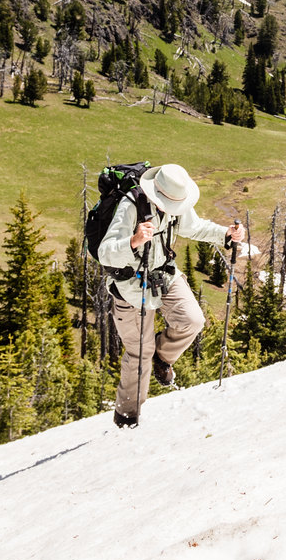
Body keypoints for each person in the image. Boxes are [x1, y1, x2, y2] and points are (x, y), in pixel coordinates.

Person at [94, 164, 245, 427]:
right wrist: (133, 241)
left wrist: (225, 234)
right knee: (139, 353)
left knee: (192, 320)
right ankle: (127, 418)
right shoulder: (130, 206)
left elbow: (194, 227)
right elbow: (105, 253)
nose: (174, 209)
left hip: (163, 275)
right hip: (129, 286)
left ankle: (162, 357)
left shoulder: (176, 203)